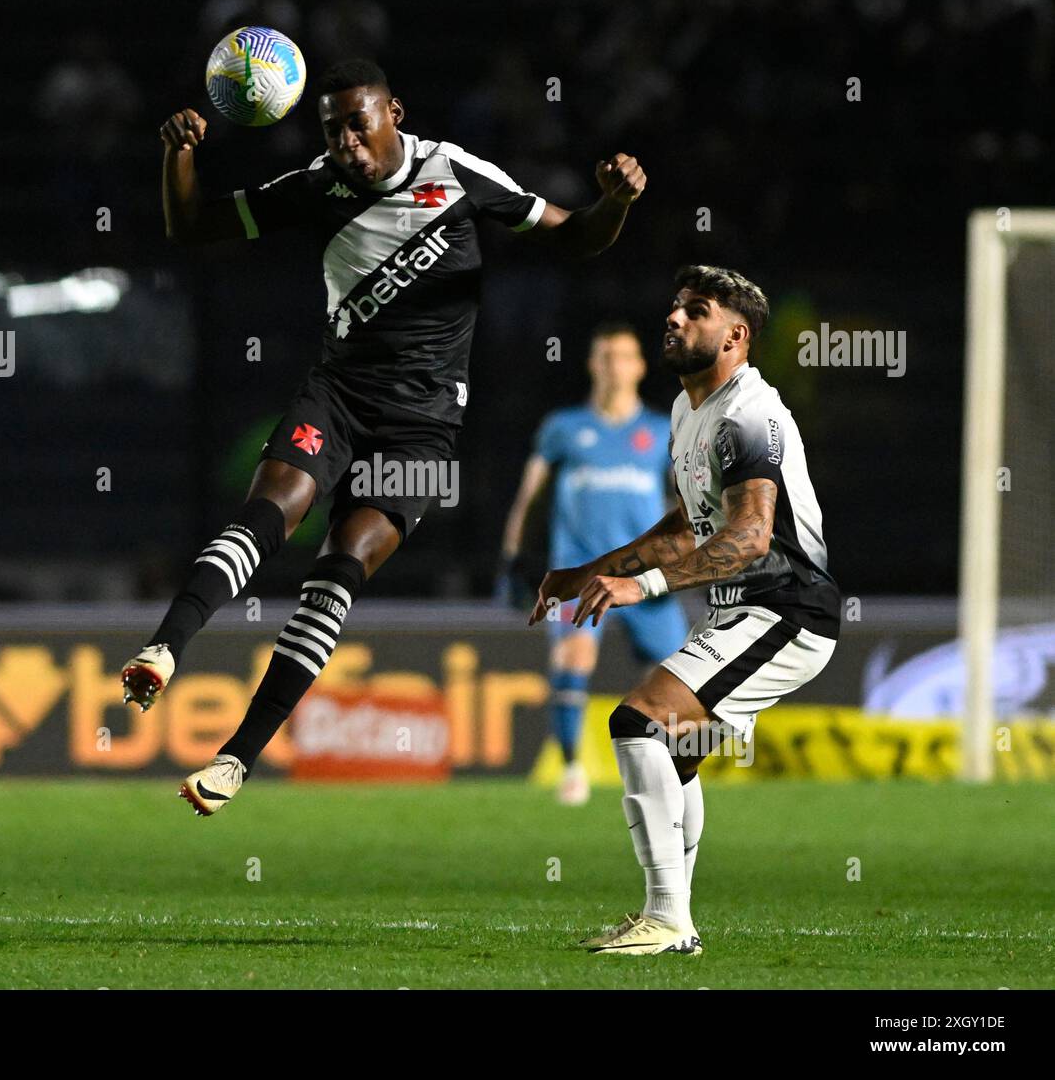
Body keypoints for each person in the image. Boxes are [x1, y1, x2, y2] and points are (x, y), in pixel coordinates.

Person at [122, 57, 648, 815]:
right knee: (269, 512)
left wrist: (615, 202)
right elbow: (191, 225)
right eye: (331, 129)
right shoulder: (316, 185)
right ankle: (165, 646)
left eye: (356, 125)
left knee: (337, 573)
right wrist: (178, 153)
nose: (345, 143)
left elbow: (575, 239)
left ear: (392, 112)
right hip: (337, 393)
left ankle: (236, 759)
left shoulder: (458, 174)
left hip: (425, 429)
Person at [531, 266, 840, 955]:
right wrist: (590, 571)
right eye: (673, 306)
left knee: (637, 721)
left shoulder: (749, 413)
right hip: (742, 612)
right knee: (671, 752)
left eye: (694, 311)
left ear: (736, 335)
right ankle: (672, 920)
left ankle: (668, 917)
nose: (673, 318)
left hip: (786, 612)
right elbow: (686, 526)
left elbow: (751, 535)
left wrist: (643, 588)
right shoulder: (685, 409)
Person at [498, 324, 686, 804]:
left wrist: (688, 558)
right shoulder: (563, 428)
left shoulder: (660, 431)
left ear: (640, 367)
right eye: (605, 356)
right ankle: (572, 769)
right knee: (573, 660)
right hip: (579, 573)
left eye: (624, 356)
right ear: (592, 365)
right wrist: (513, 557)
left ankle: (665, 769)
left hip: (644, 574)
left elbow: (688, 500)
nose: (614, 366)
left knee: (676, 673)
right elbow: (529, 496)